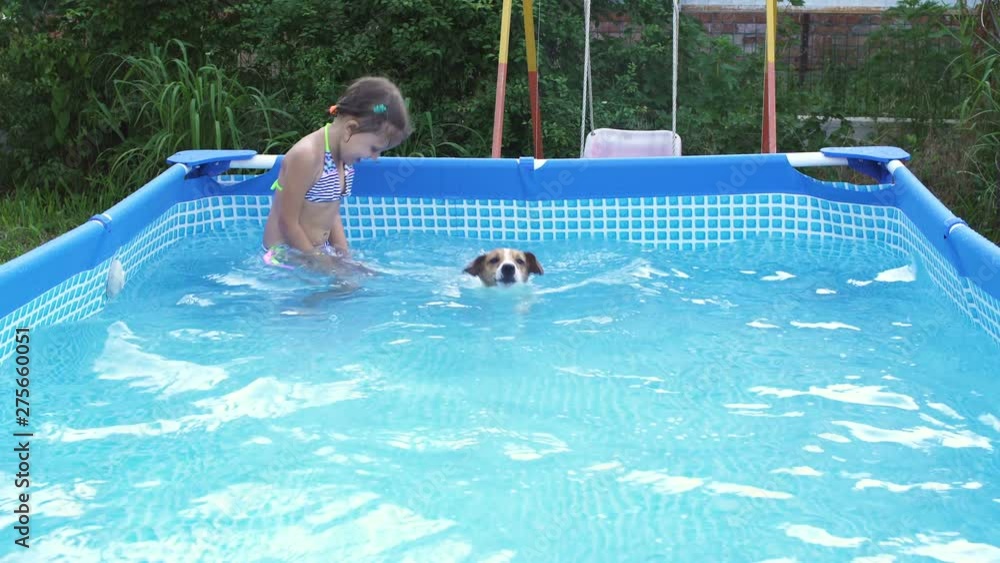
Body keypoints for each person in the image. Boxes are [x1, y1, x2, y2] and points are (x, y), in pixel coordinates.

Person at [262, 76, 412, 272]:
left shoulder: (345, 160)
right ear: (350, 129)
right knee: (336, 284)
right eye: (374, 148)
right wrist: (322, 263)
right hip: (284, 256)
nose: (374, 157)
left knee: (365, 277)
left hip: (312, 251)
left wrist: (343, 255)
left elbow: (331, 210)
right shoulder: (307, 156)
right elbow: (287, 222)